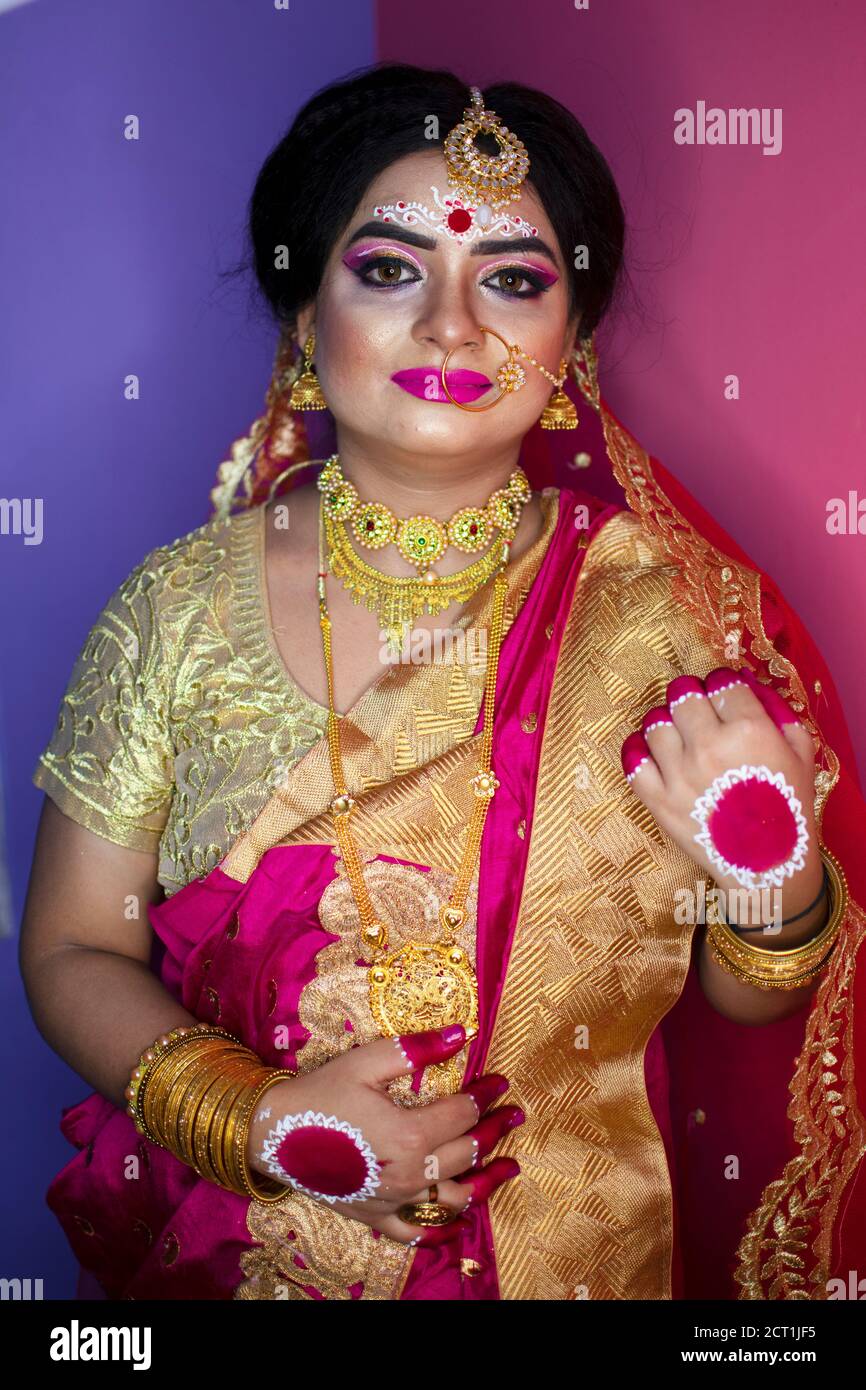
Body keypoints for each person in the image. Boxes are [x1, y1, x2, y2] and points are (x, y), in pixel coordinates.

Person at [20, 63, 866, 1302]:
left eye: (512, 280)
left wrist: (778, 883)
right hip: (246, 1264)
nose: (453, 325)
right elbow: (74, 944)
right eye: (387, 267)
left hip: (571, 1261)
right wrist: (258, 1123)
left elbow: (743, 997)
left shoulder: (666, 617)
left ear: (569, 342)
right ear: (305, 315)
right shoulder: (175, 612)